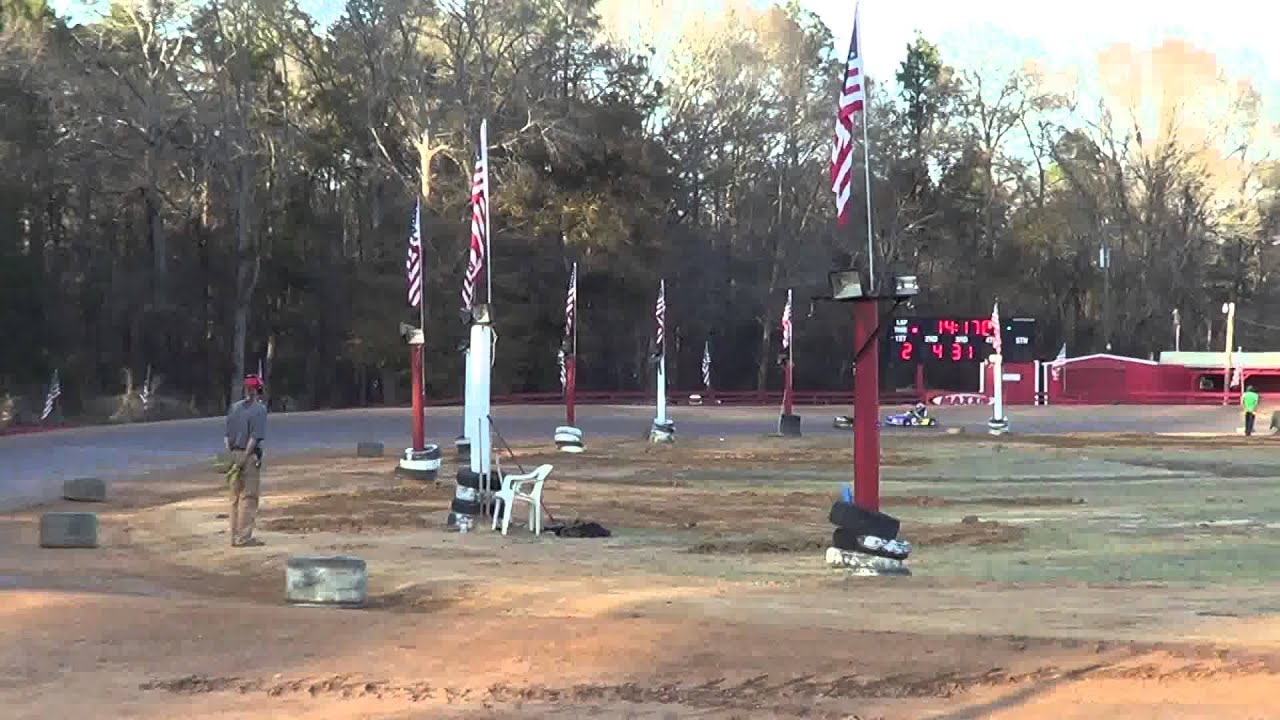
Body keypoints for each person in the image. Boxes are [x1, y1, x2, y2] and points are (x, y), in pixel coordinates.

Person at [225, 374, 268, 547]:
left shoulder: (234, 408)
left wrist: (233, 457)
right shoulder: (260, 410)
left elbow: (227, 437)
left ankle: (233, 537)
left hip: (233, 453)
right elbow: (254, 438)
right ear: (259, 389)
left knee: (234, 498)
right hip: (247, 456)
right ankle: (244, 537)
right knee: (249, 497)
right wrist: (244, 458)